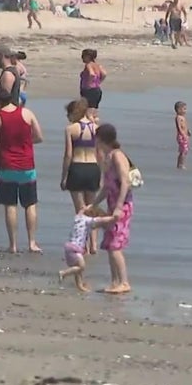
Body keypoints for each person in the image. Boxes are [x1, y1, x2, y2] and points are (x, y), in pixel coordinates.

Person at [0, 86, 44, 254]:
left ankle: (13, 245)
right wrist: (26, 143)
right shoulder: (27, 113)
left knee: (10, 205)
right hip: (27, 165)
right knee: (30, 204)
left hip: (7, 165)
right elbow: (39, 137)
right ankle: (32, 242)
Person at [88, 123, 134, 294]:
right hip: (112, 203)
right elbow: (107, 187)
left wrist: (119, 207)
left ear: (102, 139)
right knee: (109, 244)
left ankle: (124, 282)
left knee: (115, 245)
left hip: (122, 206)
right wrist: (94, 204)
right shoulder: (108, 157)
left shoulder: (117, 156)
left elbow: (125, 182)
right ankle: (115, 281)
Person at [61, 98, 100, 253]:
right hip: (93, 168)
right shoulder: (97, 128)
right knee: (92, 209)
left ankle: (82, 244)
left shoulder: (70, 129)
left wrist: (64, 177)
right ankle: (94, 245)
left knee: (80, 210)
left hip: (77, 168)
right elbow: (101, 154)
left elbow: (68, 155)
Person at [57, 207, 116, 292]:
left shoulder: (77, 217)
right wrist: (114, 218)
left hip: (68, 246)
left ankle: (80, 286)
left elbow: (81, 210)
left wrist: (88, 206)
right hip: (75, 248)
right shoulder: (87, 221)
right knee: (81, 267)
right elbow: (101, 220)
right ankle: (63, 273)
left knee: (77, 268)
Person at [0, 42, 23, 115]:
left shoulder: (7, 74)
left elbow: (4, 101)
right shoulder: (12, 71)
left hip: (5, 118)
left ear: (1, 55)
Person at [79, 48, 106, 114]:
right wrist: (98, 82)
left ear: (88, 56)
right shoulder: (98, 66)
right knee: (94, 112)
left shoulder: (88, 65)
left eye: (83, 56)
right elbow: (104, 74)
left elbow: (92, 74)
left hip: (89, 91)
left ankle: (88, 124)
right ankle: (95, 124)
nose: (82, 58)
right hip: (97, 90)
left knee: (87, 112)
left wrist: (89, 84)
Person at [174, 101, 191, 169]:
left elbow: (184, 126)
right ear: (179, 109)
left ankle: (179, 164)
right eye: (184, 109)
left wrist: (188, 131)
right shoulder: (178, 117)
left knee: (184, 151)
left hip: (184, 135)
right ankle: (181, 164)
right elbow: (179, 127)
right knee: (183, 151)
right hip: (181, 136)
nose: (185, 111)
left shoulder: (183, 117)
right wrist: (183, 134)